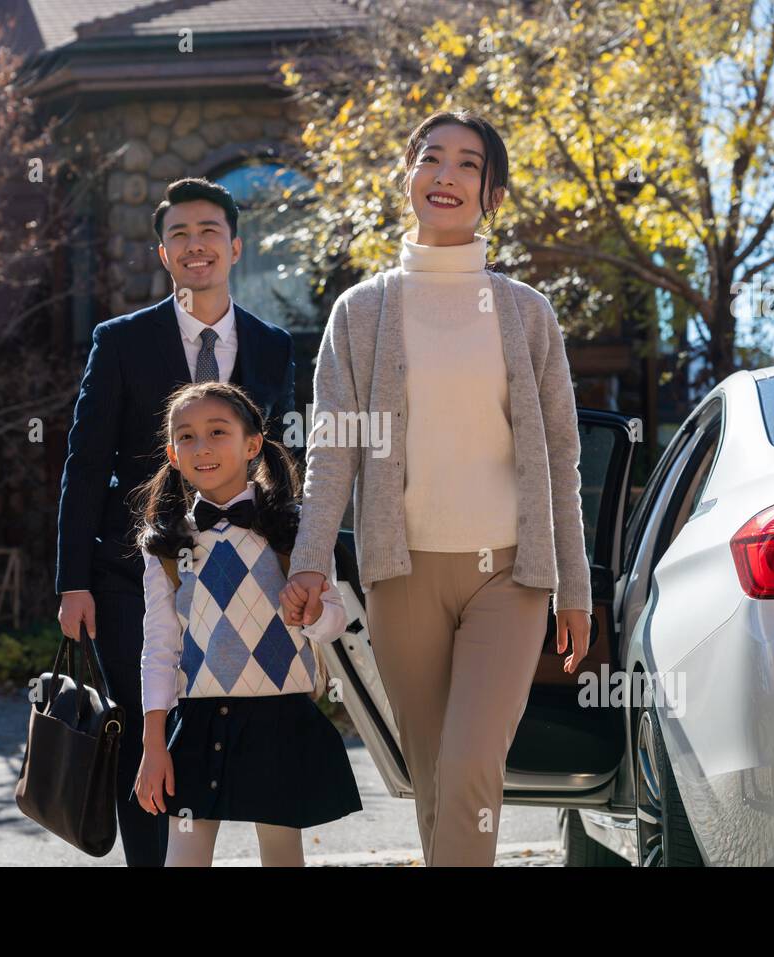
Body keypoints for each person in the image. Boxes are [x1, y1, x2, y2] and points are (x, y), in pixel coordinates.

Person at [280, 109, 595, 866]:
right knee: (432, 780)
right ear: (408, 177)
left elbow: (561, 456)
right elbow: (333, 448)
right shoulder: (361, 311)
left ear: (492, 194)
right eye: (431, 158)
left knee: (470, 769)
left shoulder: (526, 313)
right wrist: (310, 559)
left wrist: (575, 586)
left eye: (467, 164)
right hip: (401, 575)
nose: (445, 175)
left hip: (510, 576)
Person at [55, 177, 300, 867]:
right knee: (144, 729)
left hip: (247, 575)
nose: (196, 246)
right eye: (180, 235)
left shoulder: (273, 345)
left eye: (209, 232)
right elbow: (84, 464)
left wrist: (301, 560)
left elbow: (284, 463)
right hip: (130, 573)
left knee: (241, 727)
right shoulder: (120, 341)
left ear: (235, 247)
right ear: (164, 253)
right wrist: (72, 580)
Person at [129, 380, 362, 866]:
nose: (202, 446)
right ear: (172, 454)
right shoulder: (166, 545)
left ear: (252, 444)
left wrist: (314, 613)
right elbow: (159, 647)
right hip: (196, 721)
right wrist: (153, 743)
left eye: (218, 431)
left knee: (281, 853)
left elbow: (334, 622)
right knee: (184, 856)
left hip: (279, 718)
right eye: (186, 436)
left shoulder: (298, 530)